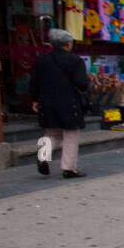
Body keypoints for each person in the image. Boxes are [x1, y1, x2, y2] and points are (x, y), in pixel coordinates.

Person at [28, 28, 89, 178]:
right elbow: (81, 83)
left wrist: (35, 99)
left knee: (52, 133)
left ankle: (42, 156)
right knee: (70, 135)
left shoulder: (42, 60)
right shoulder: (75, 60)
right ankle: (69, 168)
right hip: (69, 102)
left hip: (47, 102)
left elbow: (34, 83)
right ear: (68, 44)